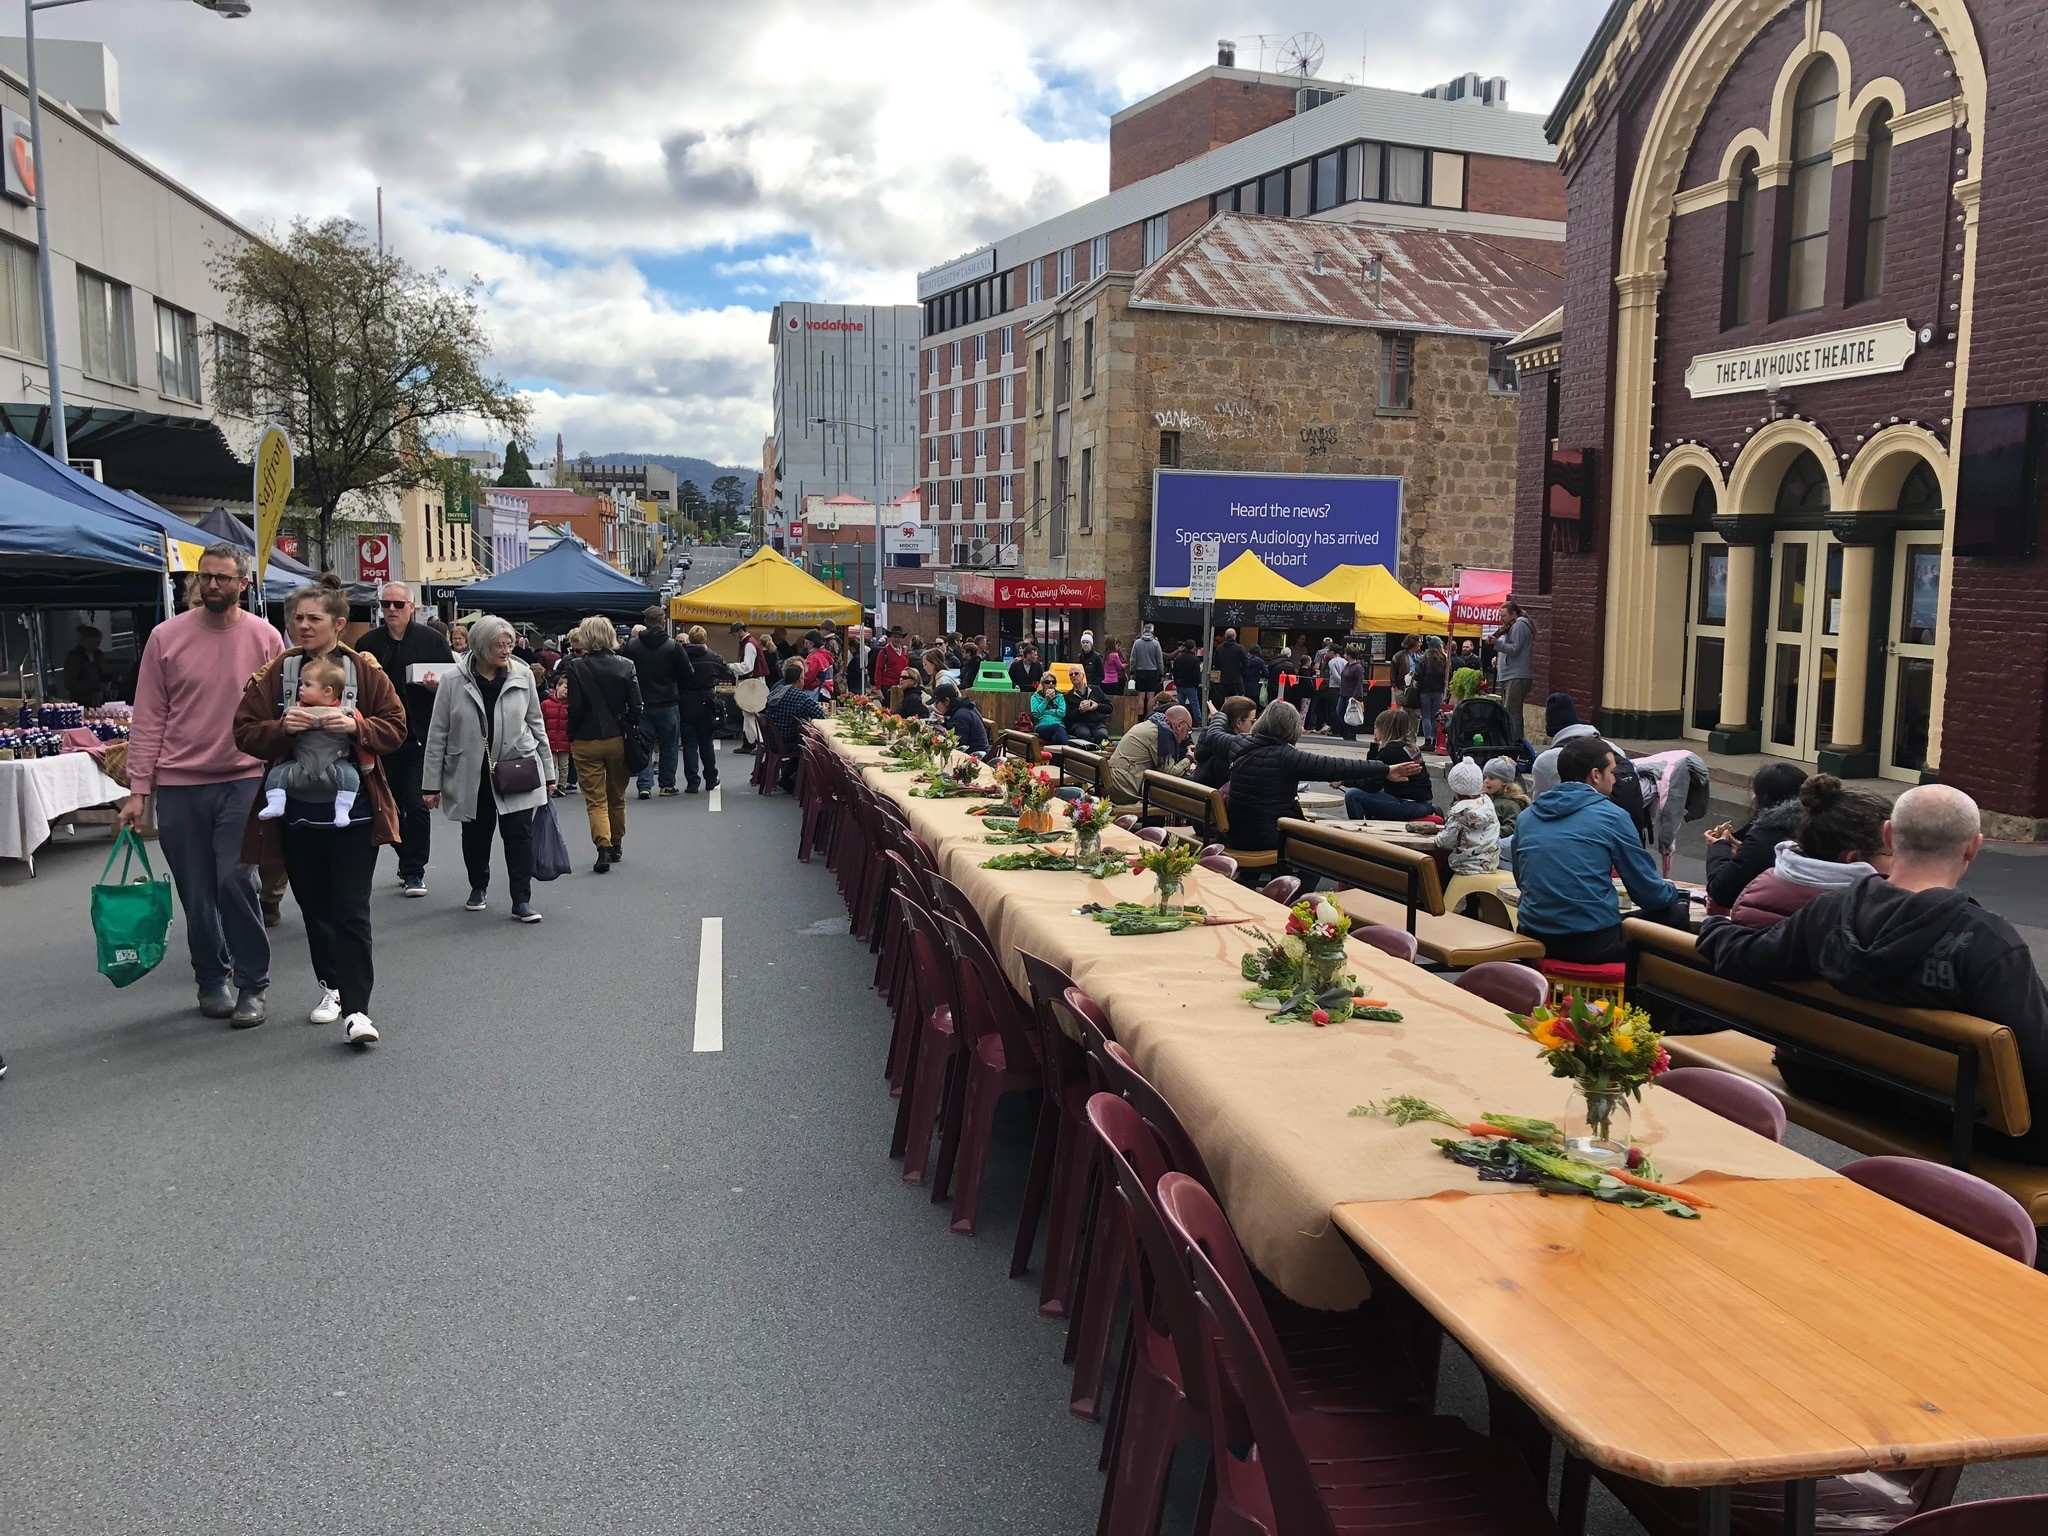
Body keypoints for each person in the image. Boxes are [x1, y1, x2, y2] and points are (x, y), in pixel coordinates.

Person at [1701, 785, 2048, 1161]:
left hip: (1832, 1082)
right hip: (1952, 1118)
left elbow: (1749, 955)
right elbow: (2036, 1065)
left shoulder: (1828, 913)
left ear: (1888, 835)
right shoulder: (1987, 942)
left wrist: (1714, 927)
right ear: (1973, 847)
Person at [233, 575, 408, 1047]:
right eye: (297, 618)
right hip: (296, 811)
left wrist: (356, 725)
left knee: (351, 908)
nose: (302, 625)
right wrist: (281, 728)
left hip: (354, 812)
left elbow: (396, 728)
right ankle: (329, 984)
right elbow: (244, 732)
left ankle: (357, 1010)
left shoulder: (364, 671)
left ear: (338, 623)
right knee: (314, 906)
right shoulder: (277, 673)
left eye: (313, 618)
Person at [120, 542, 285, 1027]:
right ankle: (212, 979)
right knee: (196, 892)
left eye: (222, 577)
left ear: (243, 583)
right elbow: (149, 716)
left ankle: (253, 984)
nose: (212, 584)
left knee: (236, 880)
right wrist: (138, 791)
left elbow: (280, 710)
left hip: (243, 778)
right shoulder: (165, 638)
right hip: (179, 784)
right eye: (204, 576)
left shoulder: (265, 637)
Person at [420, 614, 555, 923]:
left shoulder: (522, 675)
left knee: (519, 836)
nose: (506, 650)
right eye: (498, 645)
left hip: (516, 766)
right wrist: (431, 784)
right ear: (480, 646)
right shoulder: (453, 681)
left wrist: (549, 773)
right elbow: (438, 731)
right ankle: (478, 886)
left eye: (509, 643)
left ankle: (521, 899)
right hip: (472, 770)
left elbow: (537, 725)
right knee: (476, 835)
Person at [1511, 735, 1688, 964]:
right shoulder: (1612, 816)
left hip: (1533, 934)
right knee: (1675, 914)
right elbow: (1649, 894)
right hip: (1591, 943)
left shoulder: (1526, 818)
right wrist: (1675, 892)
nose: (1615, 780)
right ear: (1596, 775)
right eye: (1612, 772)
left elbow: (1522, 880)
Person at [357, 580, 453, 897]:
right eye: (386, 605)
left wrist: (434, 686)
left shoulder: (432, 640)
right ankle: (405, 859)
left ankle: (415, 870)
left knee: (417, 804)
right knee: (390, 806)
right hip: (380, 736)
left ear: (412, 607)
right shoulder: (368, 643)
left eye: (398, 604)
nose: (392, 610)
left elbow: (451, 682)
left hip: (418, 734)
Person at [1226, 700, 1423, 854]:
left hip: (1237, 834)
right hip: (1271, 837)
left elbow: (1214, 732)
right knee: (1322, 853)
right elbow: (1338, 767)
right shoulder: (1287, 756)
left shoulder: (1239, 743)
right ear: (1291, 728)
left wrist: (1218, 714)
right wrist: (1385, 770)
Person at [1728, 775, 1891, 930]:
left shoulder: (1758, 887)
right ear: (1854, 859)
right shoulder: (1866, 914)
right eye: (1890, 853)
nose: (1900, 861)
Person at [565, 615, 643, 872]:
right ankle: (617, 843)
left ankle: (603, 846)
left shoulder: (576, 666)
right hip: (617, 738)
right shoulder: (626, 665)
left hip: (586, 739)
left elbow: (575, 708)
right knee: (616, 796)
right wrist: (626, 723)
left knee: (595, 799)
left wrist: (572, 733)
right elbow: (636, 706)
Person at [256, 659, 362, 827]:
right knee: (276, 774)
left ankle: (342, 809)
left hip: (335, 762)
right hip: (300, 762)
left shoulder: (347, 711)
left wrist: (357, 732)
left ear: (327, 691)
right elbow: (278, 738)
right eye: (300, 683)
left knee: (350, 776)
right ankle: (276, 803)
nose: (301, 688)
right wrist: (284, 729)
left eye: (307, 684)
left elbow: (364, 737)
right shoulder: (295, 709)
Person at [1703, 761, 1810, 913]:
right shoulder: (1814, 829)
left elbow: (1720, 891)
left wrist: (1719, 847)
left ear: (1763, 798)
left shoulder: (1766, 835)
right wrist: (1743, 849)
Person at [622, 607, 687, 800]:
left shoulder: (632, 645)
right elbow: (687, 673)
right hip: (667, 702)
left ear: (646, 620)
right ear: (662, 620)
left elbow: (625, 672)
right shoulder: (673, 646)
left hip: (641, 701)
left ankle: (644, 785)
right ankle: (667, 784)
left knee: (644, 746)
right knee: (669, 745)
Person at [1345, 707, 1436, 821]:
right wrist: (1375, 746)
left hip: (1409, 803)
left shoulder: (1391, 751)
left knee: (1354, 795)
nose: (1374, 731)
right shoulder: (1409, 747)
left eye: (1375, 727)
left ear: (1383, 729)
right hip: (1422, 802)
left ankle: (1358, 830)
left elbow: (1371, 782)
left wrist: (1344, 781)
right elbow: (1372, 769)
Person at [1108, 703, 1193, 803]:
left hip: (1115, 782)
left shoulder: (1151, 723)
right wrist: (1189, 758)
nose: (1187, 736)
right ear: (1179, 725)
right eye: (1188, 730)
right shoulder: (1162, 733)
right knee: (1175, 798)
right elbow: (1170, 774)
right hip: (1126, 790)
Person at [1434, 759, 1502, 884]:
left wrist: (1438, 836)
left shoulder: (1460, 812)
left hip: (1465, 865)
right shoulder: (1487, 803)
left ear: (1454, 789)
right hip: (1490, 863)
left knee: (1438, 873)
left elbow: (1445, 842)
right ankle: (1473, 902)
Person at [762, 657, 825, 790]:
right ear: (800, 679)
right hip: (787, 740)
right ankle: (795, 781)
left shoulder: (776, 690)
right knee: (811, 745)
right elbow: (820, 715)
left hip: (772, 738)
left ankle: (788, 778)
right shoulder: (799, 696)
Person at [676, 624, 723, 793]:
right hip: (706, 701)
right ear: (705, 639)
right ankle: (711, 778)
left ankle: (692, 782)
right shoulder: (713, 657)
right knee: (706, 743)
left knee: (689, 744)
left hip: (685, 701)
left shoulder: (680, 656)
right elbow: (722, 673)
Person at [1193, 695, 1258, 788]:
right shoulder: (1230, 749)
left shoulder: (1208, 735)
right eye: (1252, 721)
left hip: (1202, 795)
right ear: (1238, 722)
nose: (1255, 725)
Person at [728, 620, 772, 752]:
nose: (734, 636)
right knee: (748, 713)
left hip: (752, 683)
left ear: (739, 631)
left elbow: (747, 667)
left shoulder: (748, 644)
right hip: (753, 682)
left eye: (734, 633)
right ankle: (750, 743)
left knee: (750, 714)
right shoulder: (749, 642)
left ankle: (760, 743)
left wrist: (730, 666)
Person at [1492, 599, 1536, 723]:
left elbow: (1515, 649)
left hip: (1516, 675)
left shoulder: (1519, 625)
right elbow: (1510, 648)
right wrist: (1499, 658)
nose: (1502, 619)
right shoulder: (1512, 626)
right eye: (1500, 616)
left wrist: (1497, 643)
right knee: (1510, 712)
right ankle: (1514, 739)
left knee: (1512, 713)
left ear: (1514, 614)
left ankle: (1515, 740)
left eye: (1504, 616)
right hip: (1510, 675)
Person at [934, 680, 991, 758]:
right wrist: (945, 722)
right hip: (979, 753)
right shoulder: (965, 708)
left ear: (947, 701)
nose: (935, 706)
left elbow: (957, 744)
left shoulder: (961, 716)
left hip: (976, 758)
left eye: (937, 703)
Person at [62, 623, 111, 707]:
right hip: (81, 701)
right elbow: (70, 683)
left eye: (99, 642)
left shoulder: (98, 654)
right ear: (86, 640)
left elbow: (104, 673)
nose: (98, 645)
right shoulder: (75, 657)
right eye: (95, 642)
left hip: (100, 700)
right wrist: (94, 687)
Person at [1413, 636, 1449, 750]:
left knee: (1426, 716)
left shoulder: (1423, 658)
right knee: (1435, 716)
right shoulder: (1445, 659)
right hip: (1439, 691)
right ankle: (1434, 740)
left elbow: (1417, 675)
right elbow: (1448, 675)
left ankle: (1427, 740)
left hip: (1425, 690)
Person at [541, 673, 574, 795]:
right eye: (565, 687)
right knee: (551, 764)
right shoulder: (546, 704)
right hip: (550, 740)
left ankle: (562, 786)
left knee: (564, 766)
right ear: (557, 686)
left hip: (564, 741)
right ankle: (550, 785)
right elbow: (541, 721)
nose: (567, 691)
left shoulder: (570, 705)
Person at [1483, 755, 1529, 837]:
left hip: (1496, 841)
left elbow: (1512, 827)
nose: (1486, 781)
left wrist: (1490, 834)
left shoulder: (1510, 804)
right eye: (1485, 777)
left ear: (1504, 782)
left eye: (1491, 778)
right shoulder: (1484, 797)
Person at [1067, 676, 1115, 745]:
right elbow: (1068, 717)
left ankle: (1102, 753)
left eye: (1076, 673)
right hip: (1079, 724)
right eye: (1071, 675)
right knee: (1084, 734)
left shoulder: (1096, 689)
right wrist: (1079, 710)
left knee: (1102, 735)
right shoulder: (1068, 696)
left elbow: (1109, 708)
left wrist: (1097, 706)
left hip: (1097, 723)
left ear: (1082, 675)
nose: (1073, 676)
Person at [1169, 640, 1207, 726]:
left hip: (1180, 685)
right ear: (1193, 648)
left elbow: (1174, 671)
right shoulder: (1195, 659)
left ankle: (1180, 722)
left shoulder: (1178, 658)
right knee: (1195, 705)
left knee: (1180, 706)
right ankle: (1199, 723)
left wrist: (1176, 681)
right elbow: (1197, 674)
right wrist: (1197, 684)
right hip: (1190, 686)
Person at [1335, 648, 1368, 741]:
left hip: (1352, 694)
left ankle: (1351, 734)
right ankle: (1345, 732)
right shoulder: (1347, 665)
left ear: (1349, 655)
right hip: (1343, 693)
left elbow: (1359, 682)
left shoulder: (1358, 667)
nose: (1344, 655)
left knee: (1351, 714)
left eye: (1346, 654)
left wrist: (1356, 696)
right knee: (1340, 712)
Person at [1129, 624, 1165, 713]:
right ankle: (1149, 716)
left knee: (1141, 696)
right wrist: (1161, 673)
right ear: (1152, 632)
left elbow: (1133, 659)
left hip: (1140, 671)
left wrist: (1132, 671)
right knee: (1151, 696)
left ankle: (1140, 717)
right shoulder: (1156, 643)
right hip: (1152, 672)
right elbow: (1159, 660)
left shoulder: (1137, 643)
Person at [1028, 670, 1069, 745]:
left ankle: (1055, 755)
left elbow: (1062, 713)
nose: (1051, 684)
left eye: (1053, 682)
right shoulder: (1035, 697)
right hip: (1042, 726)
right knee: (1057, 729)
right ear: (1043, 684)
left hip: (1059, 726)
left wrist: (1046, 712)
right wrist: (1046, 701)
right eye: (1047, 682)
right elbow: (1036, 714)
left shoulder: (1060, 696)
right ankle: (1068, 753)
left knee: (1056, 737)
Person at [1213, 628, 1247, 702]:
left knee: (1222, 702)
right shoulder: (1240, 648)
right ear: (1235, 636)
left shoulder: (1219, 648)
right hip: (1236, 680)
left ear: (1225, 636)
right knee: (1237, 702)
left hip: (1223, 680)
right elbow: (1246, 663)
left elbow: (1216, 664)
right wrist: (1240, 672)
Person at [873, 627, 911, 692]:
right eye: (895, 636)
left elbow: (907, 669)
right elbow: (878, 670)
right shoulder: (884, 652)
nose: (897, 639)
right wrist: (878, 689)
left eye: (899, 637)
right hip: (888, 687)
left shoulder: (904, 651)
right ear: (891, 637)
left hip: (901, 686)